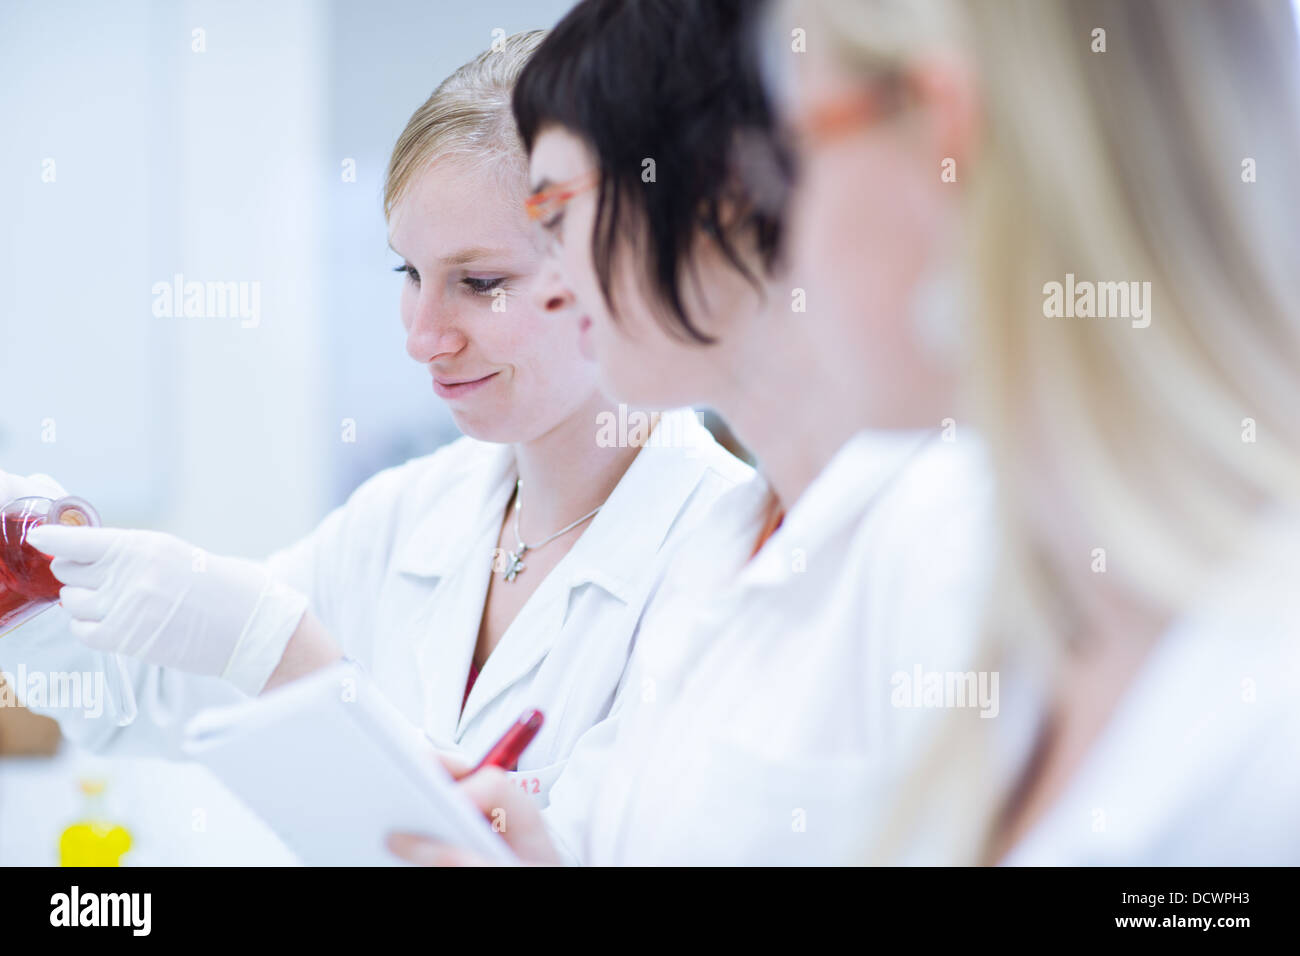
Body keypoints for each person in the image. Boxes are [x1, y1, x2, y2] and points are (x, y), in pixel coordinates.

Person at [7, 31, 751, 807]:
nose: (422, 336)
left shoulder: (727, 563)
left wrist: (290, 655)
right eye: (410, 272)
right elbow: (147, 699)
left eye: (480, 280)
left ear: (615, 263)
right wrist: (20, 577)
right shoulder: (407, 518)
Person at [387, 0, 991, 866]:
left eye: (561, 213)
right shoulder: (718, 549)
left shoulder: (947, 534)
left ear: (725, 189)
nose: (558, 287)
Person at [773, 0, 1300, 864]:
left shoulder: (1275, 735)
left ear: (946, 133)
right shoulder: (1045, 617)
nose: (785, 229)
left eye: (795, 149)